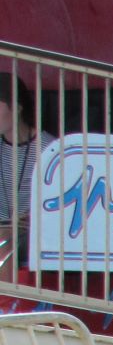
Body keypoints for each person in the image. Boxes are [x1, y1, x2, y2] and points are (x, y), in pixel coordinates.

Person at [1, 77, 51, 267]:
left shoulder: (48, 149)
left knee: (3, 237)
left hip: (32, 230)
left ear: (18, 107)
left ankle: (5, 296)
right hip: (5, 227)